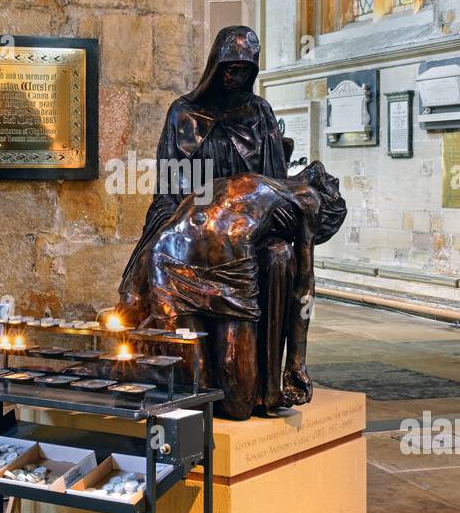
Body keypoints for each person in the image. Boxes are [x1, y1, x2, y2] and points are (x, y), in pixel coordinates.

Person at [144, 162, 347, 421]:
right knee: (229, 402)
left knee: (196, 387)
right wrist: (297, 361)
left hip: (169, 255)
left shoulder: (247, 182)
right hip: (195, 266)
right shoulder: (310, 199)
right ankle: (134, 369)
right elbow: (303, 290)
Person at [119, 26, 287, 320]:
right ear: (215, 66)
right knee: (153, 265)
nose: (233, 78)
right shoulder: (182, 112)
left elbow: (276, 185)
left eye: (243, 71)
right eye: (229, 69)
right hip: (192, 222)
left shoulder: (259, 112)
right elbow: (168, 187)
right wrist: (175, 223)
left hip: (245, 226)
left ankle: (271, 363)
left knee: (279, 256)